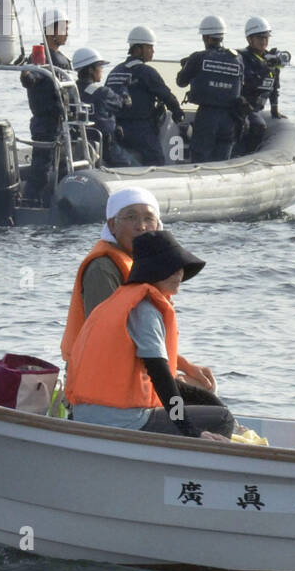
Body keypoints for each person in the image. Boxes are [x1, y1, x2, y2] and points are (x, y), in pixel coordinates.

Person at [66, 229, 237, 439]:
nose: (179, 274)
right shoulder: (145, 310)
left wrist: (208, 401)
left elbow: (165, 382)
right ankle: (192, 468)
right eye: (170, 269)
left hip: (84, 416)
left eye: (180, 268)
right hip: (125, 422)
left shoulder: (117, 303)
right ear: (152, 271)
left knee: (208, 405)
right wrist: (189, 430)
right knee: (222, 418)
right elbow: (160, 376)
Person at [60, 186, 220, 405]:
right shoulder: (102, 268)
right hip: (98, 381)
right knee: (203, 401)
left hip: (134, 372)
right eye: (131, 217)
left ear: (158, 226)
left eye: (148, 218)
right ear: (112, 225)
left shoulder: (146, 267)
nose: (141, 226)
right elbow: (107, 339)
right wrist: (173, 373)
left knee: (203, 383)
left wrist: (184, 365)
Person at [106, 25, 185, 166]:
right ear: (138, 49)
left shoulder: (115, 71)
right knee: (157, 162)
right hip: (140, 129)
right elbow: (166, 95)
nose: (152, 51)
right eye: (149, 47)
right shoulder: (146, 72)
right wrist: (178, 113)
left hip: (117, 128)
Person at [20, 8, 72, 204]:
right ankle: (29, 203)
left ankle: (57, 202)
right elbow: (30, 79)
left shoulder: (62, 60)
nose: (67, 33)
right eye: (63, 29)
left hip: (64, 123)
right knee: (41, 169)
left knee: (64, 168)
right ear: (51, 30)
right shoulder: (39, 58)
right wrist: (26, 73)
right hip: (46, 123)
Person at [176, 15, 243, 163]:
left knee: (200, 160)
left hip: (207, 116)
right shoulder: (237, 58)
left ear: (205, 37)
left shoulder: (198, 58)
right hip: (230, 117)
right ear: (222, 36)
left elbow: (180, 82)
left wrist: (187, 66)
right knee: (222, 161)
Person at [72, 47, 133, 168]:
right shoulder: (102, 92)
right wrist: (124, 90)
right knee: (130, 165)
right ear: (90, 70)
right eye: (100, 66)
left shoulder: (72, 90)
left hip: (80, 143)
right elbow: (124, 105)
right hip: (106, 148)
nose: (101, 70)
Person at [235, 16, 284, 154]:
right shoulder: (243, 58)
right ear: (250, 39)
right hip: (243, 106)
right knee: (257, 126)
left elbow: (274, 87)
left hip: (257, 107)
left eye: (266, 37)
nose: (264, 41)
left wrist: (274, 108)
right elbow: (249, 84)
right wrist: (265, 68)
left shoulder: (271, 59)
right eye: (260, 38)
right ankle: (244, 154)